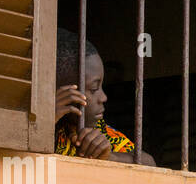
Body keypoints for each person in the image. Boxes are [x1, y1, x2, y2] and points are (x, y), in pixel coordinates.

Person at [55, 30, 155, 165]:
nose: (103, 97)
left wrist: (110, 158)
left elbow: (149, 163)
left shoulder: (92, 130)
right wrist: (47, 121)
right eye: (94, 89)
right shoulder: (27, 126)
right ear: (62, 91)